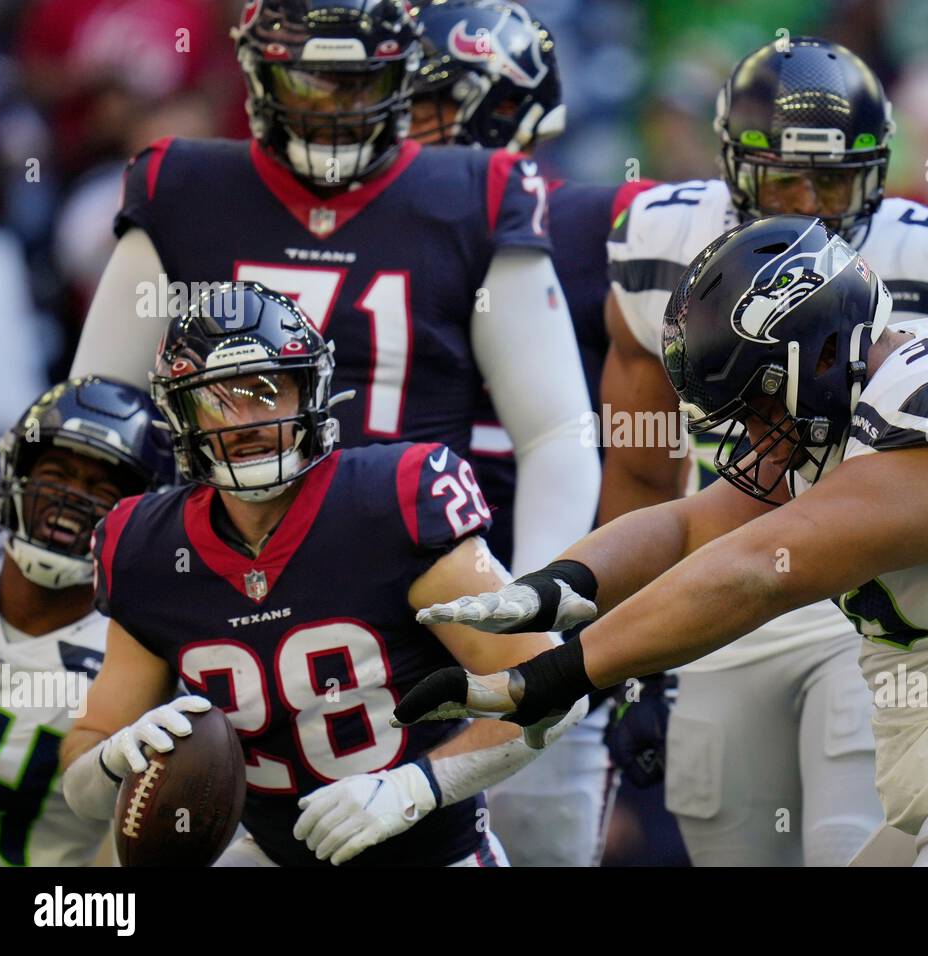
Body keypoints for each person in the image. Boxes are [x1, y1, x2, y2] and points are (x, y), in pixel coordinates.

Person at [396, 216, 928, 867]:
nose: (753, 436)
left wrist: (559, 674)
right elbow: (685, 525)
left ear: (817, 353)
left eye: (755, 404)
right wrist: (544, 590)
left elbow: (757, 574)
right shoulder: (847, 426)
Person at [598, 37, 928, 865]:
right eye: (786, 178)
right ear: (732, 166)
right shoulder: (657, 238)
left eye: (835, 179)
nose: (813, 204)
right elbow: (643, 465)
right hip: (717, 596)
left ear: (879, 170)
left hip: (867, 608)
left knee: (845, 846)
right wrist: (629, 650)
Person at [66, 0, 599, 580]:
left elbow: (555, 432)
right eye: (308, 86)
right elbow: (100, 410)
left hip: (414, 575)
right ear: (256, 73)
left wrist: (530, 599)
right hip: (213, 573)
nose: (333, 112)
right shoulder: (184, 188)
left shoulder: (476, 195)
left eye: (355, 86)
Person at [59, 284, 586, 867]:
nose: (243, 420)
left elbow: (552, 688)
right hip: (272, 853)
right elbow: (81, 785)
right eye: (216, 400)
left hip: (432, 855)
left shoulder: (392, 503)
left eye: (265, 391)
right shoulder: (145, 552)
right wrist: (113, 760)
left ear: (309, 391)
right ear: (180, 414)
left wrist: (415, 788)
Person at [407, 0, 660, 866]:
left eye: (429, 107)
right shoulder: (361, 234)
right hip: (388, 625)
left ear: (503, 110)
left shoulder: (598, 224)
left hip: (550, 625)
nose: (406, 129)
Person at [0, 376, 173, 865]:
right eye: (56, 472)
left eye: (101, 488)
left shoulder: (144, 645)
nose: (71, 498)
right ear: (17, 472)